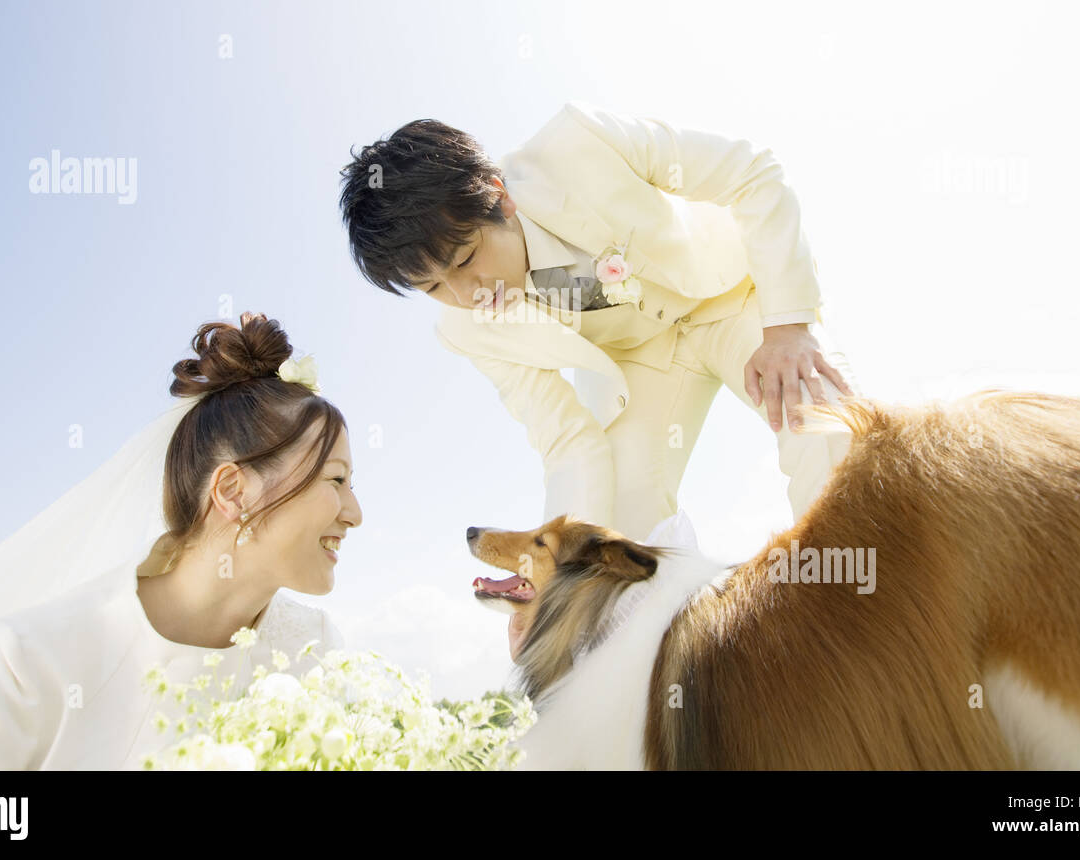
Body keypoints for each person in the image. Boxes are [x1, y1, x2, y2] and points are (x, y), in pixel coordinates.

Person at [339, 102, 863, 655]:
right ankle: (698, 673)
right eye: (433, 287)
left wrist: (787, 327)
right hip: (641, 366)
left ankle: (856, 613)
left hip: (730, 299)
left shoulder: (579, 142)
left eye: (468, 257)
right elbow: (565, 440)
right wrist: (550, 587)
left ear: (499, 194)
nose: (468, 294)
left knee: (820, 413)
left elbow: (752, 173)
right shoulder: (467, 330)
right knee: (615, 554)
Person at [0, 312, 360, 770]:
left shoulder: (315, 651)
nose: (355, 515)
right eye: (336, 480)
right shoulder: (27, 662)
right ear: (234, 492)